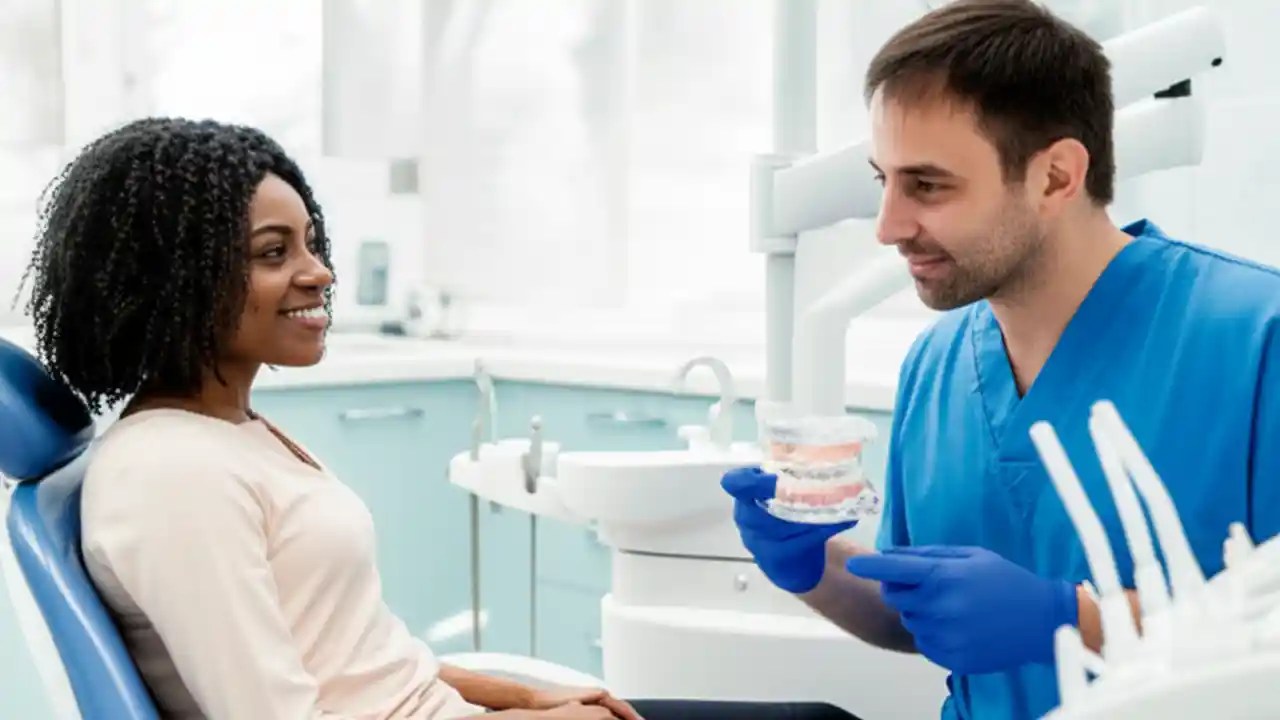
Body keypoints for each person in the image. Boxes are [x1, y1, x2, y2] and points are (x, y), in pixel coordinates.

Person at [21, 117, 857, 720]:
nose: (319, 274)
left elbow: (364, 662)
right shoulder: (172, 475)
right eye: (275, 253)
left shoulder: (233, 431)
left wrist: (522, 695)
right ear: (177, 279)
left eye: (311, 243)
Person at [722, 1, 1280, 719]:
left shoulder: (1254, 336)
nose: (889, 227)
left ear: (1055, 177)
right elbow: (921, 620)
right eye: (881, 181)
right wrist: (816, 568)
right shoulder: (937, 364)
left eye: (926, 185)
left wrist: (1069, 618)